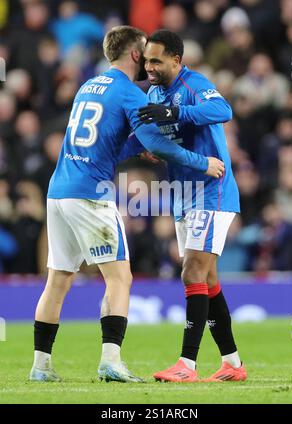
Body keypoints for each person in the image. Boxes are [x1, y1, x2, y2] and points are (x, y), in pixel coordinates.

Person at [29, 26, 225, 383]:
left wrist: (137, 147)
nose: (148, 64)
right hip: (91, 193)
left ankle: (40, 366)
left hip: (58, 192)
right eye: (145, 55)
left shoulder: (88, 85)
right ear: (136, 54)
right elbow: (158, 142)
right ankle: (111, 361)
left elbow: (111, 140)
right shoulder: (129, 93)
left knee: (57, 281)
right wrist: (202, 163)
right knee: (120, 278)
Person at [138, 30, 247, 382]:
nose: (149, 67)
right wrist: (151, 149)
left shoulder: (194, 83)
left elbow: (222, 109)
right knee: (208, 279)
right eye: (147, 60)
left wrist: (174, 111)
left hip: (211, 192)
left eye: (156, 60)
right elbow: (164, 134)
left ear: (175, 60)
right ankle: (232, 363)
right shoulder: (154, 91)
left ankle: (187, 365)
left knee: (192, 272)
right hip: (182, 193)